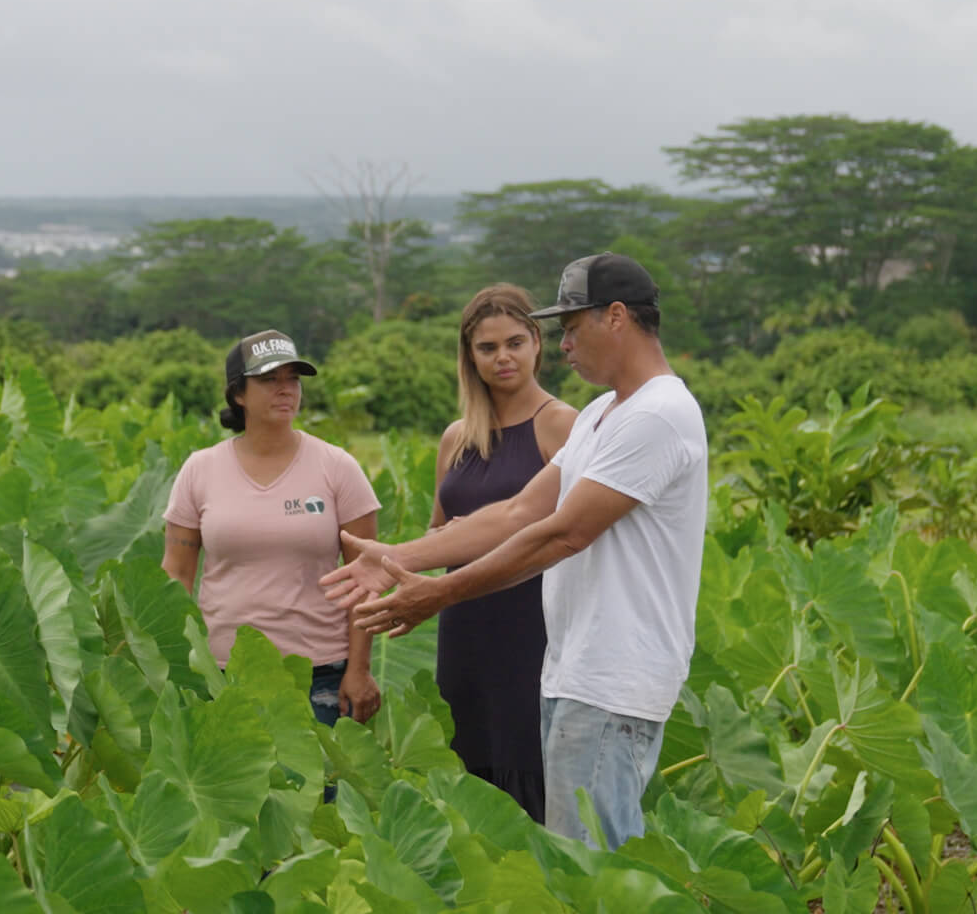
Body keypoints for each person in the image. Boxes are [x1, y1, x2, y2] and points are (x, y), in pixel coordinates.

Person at [321, 254, 707, 849]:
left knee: (595, 872)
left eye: (570, 327)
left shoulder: (658, 414)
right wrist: (399, 557)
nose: (565, 344)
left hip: (613, 677)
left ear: (617, 318)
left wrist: (442, 592)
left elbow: (562, 533)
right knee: (568, 861)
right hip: (571, 673)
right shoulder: (606, 413)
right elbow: (517, 511)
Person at [163, 329, 382, 731]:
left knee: (317, 791)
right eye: (268, 380)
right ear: (238, 394)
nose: (285, 390)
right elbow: (176, 574)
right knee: (230, 787)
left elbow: (365, 578)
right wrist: (174, 662)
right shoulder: (200, 469)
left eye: (292, 379)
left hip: (319, 673)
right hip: (223, 671)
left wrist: (360, 668)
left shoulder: (337, 467)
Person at [431, 284, 577, 823]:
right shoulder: (456, 438)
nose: (503, 358)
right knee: (469, 780)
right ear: (470, 356)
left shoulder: (562, 425)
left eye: (515, 342)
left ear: (538, 343)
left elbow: (571, 530)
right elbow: (440, 533)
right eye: (488, 348)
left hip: (531, 632)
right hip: (463, 630)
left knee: (529, 776)